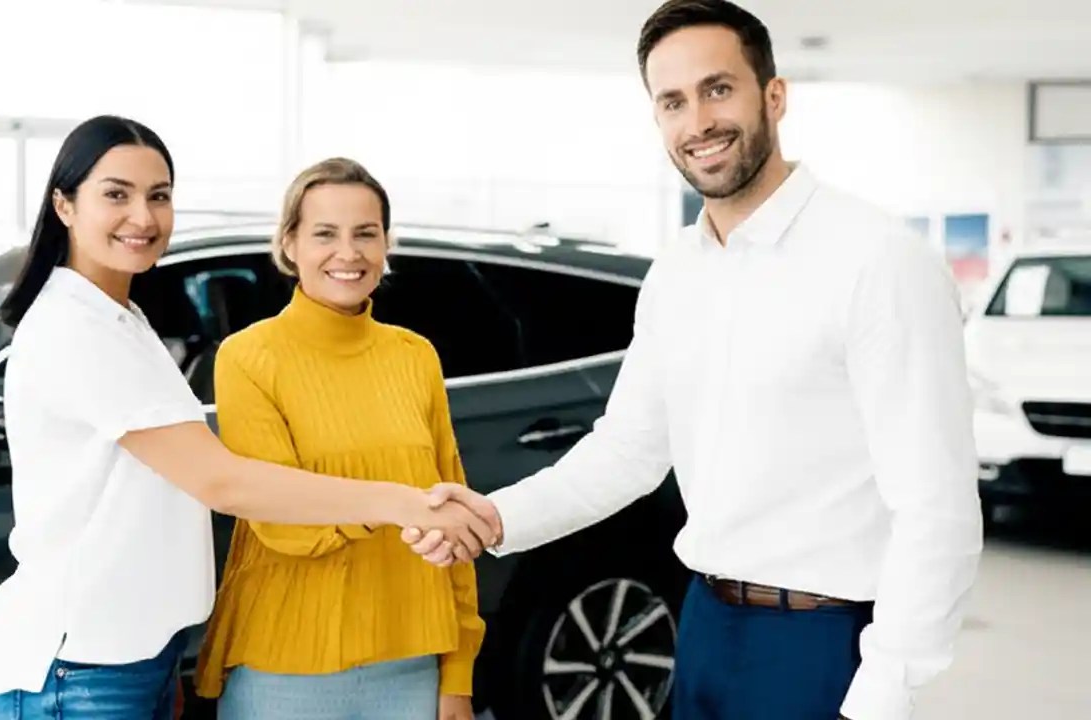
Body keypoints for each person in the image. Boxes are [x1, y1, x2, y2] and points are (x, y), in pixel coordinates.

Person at [405, 1, 983, 719]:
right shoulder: (677, 271)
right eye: (673, 101)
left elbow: (938, 503)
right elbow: (627, 452)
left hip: (824, 640)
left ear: (774, 95)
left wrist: (886, 688)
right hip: (704, 624)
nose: (698, 122)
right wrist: (495, 517)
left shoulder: (877, 259)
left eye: (718, 89)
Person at [0, 117, 497, 720]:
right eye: (116, 194)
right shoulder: (77, 328)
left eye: (159, 195)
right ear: (64, 205)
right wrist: (402, 503)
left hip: (136, 651)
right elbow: (223, 482)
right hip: (78, 663)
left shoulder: (123, 321)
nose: (142, 217)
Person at [192, 157, 482, 720]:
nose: (347, 253)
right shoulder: (249, 358)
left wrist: (458, 676)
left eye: (365, 234)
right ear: (290, 243)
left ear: (386, 245)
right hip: (285, 671)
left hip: (413, 663)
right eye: (325, 233)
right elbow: (280, 523)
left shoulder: (414, 357)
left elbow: (454, 522)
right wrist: (394, 503)